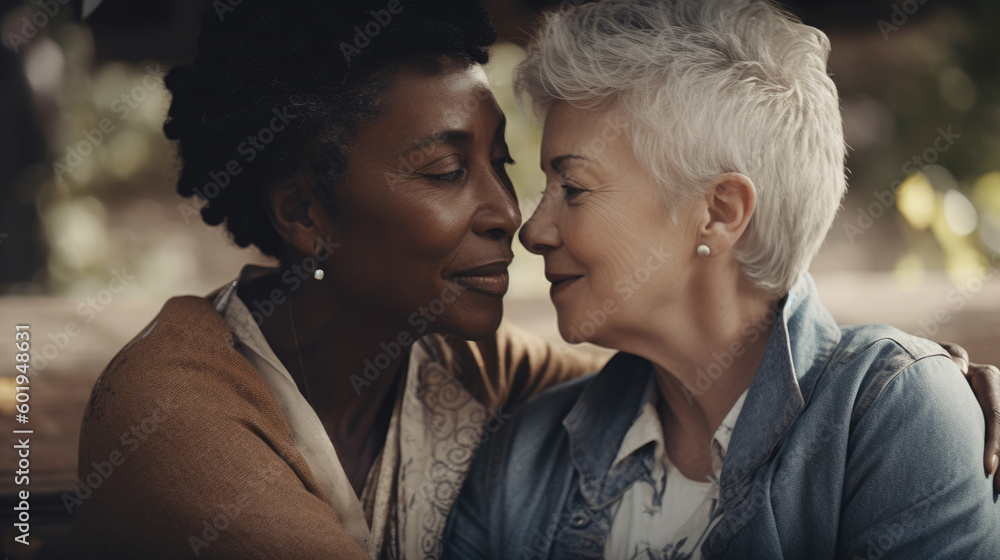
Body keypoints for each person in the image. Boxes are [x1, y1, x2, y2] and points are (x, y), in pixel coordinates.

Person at [71, 1, 996, 559]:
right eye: (443, 170)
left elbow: (731, 370)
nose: (517, 216)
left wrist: (921, 391)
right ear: (304, 212)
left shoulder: (487, 382)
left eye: (529, 172)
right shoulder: (171, 414)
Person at [442, 1, 1000, 559]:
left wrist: (930, 394)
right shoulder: (519, 457)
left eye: (574, 188)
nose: (533, 230)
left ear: (720, 212)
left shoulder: (889, 416)